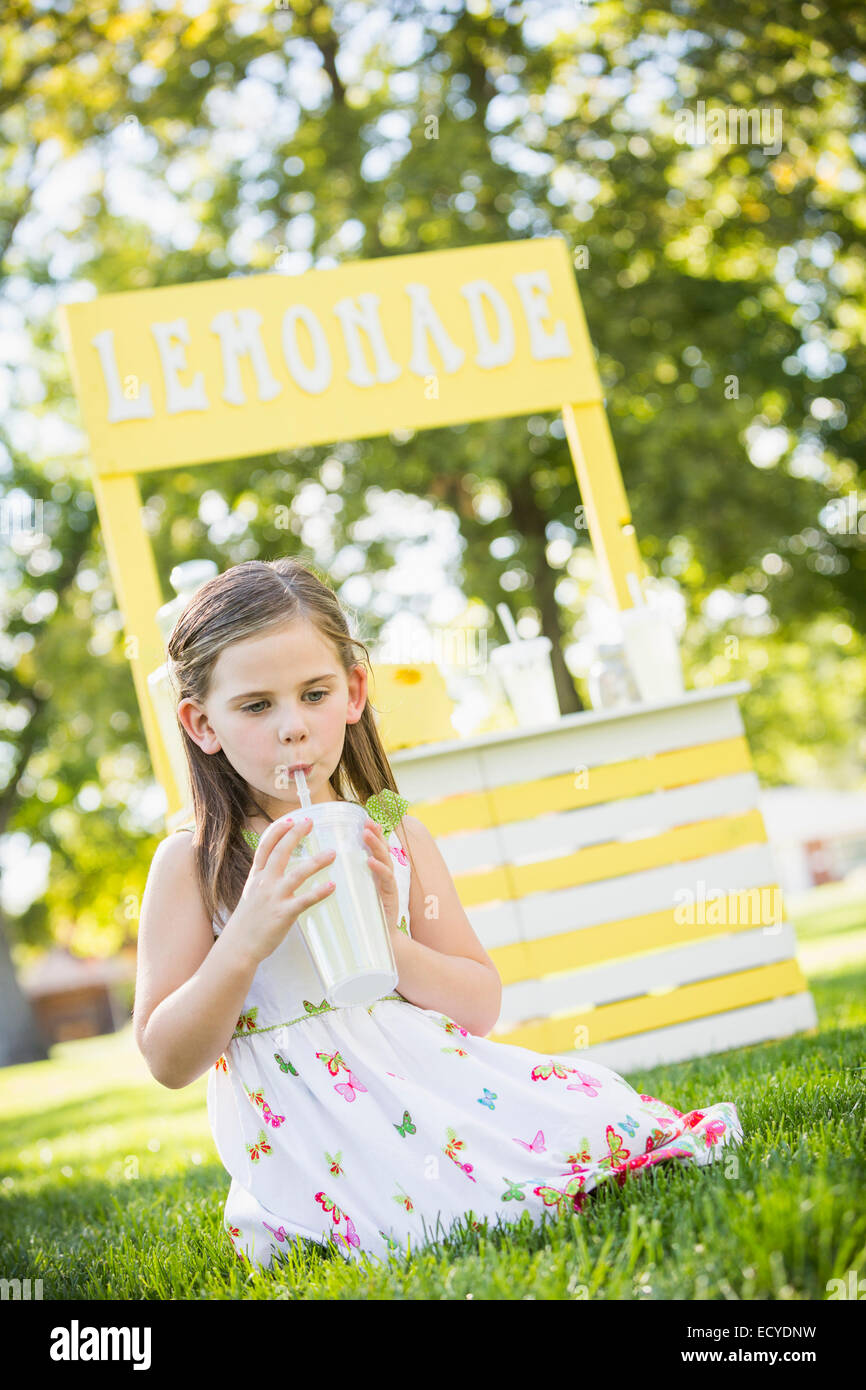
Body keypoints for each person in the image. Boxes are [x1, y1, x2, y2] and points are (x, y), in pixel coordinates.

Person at [134, 557, 744, 1272]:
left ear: (354, 693)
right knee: (430, 1213)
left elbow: (478, 1003)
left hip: (432, 1088)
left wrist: (394, 944)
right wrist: (245, 937)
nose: (293, 728)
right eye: (257, 705)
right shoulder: (193, 863)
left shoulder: (394, 832)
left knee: (586, 1129)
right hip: (309, 1135)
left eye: (314, 693)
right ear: (202, 724)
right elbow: (167, 1059)